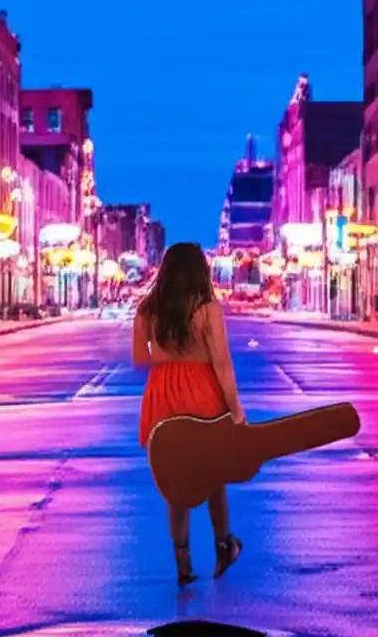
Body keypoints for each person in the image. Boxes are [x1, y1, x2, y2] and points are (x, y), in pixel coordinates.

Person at [132, 242, 245, 588]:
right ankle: (223, 546)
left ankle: (182, 561)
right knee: (213, 478)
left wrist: (167, 359)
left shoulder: (147, 308)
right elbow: (221, 362)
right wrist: (235, 408)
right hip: (203, 394)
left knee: (174, 484)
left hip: (163, 396)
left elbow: (140, 359)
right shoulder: (207, 306)